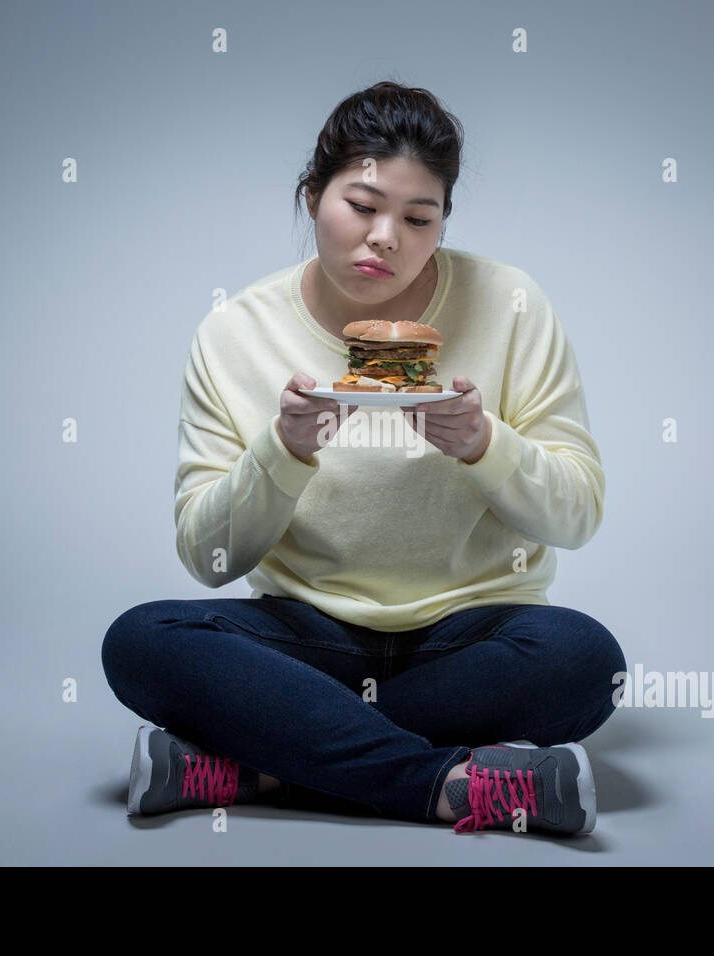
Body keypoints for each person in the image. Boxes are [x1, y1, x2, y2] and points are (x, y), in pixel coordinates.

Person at [102, 80, 626, 836]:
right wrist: (283, 451)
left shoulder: (511, 304)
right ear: (313, 194)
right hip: (306, 638)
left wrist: (485, 445)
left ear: (443, 223)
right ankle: (444, 785)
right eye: (362, 205)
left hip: (469, 637)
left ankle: (266, 763)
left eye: (420, 218)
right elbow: (207, 557)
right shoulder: (234, 332)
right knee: (140, 642)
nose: (387, 237)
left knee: (584, 658)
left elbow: (576, 514)